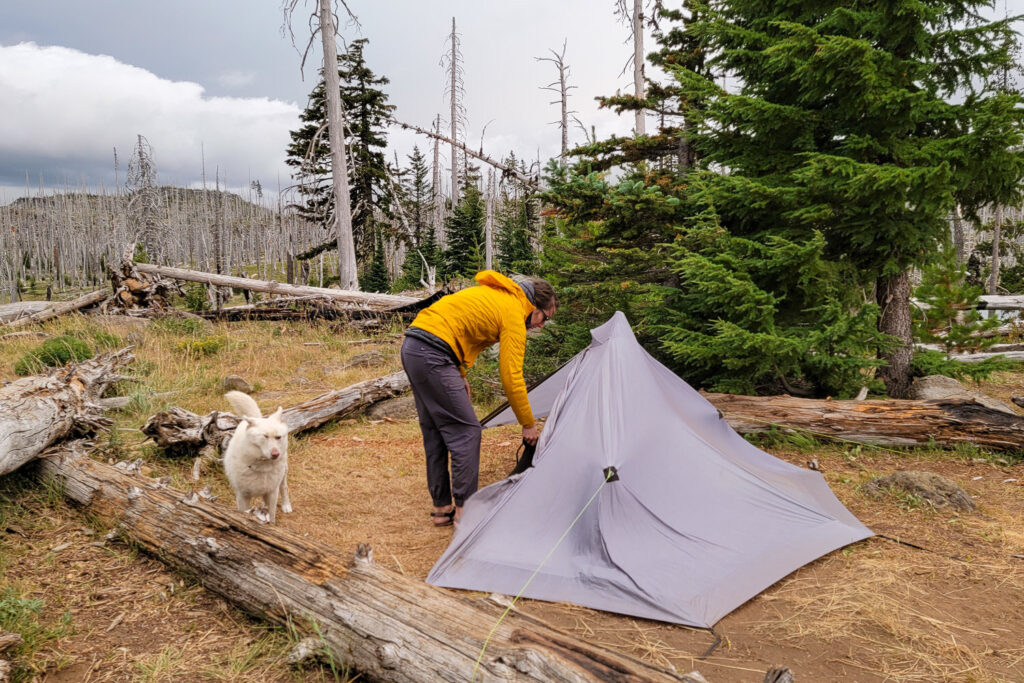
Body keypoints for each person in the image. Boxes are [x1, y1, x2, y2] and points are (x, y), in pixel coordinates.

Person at [400, 270, 557, 527]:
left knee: (435, 430)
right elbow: (511, 376)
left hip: (414, 347)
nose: (541, 325)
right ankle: (465, 511)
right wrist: (528, 423)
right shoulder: (514, 312)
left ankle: (442, 508)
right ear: (535, 306)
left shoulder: (496, 297)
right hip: (433, 353)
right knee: (467, 431)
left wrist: (459, 373)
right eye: (544, 318)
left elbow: (461, 327)